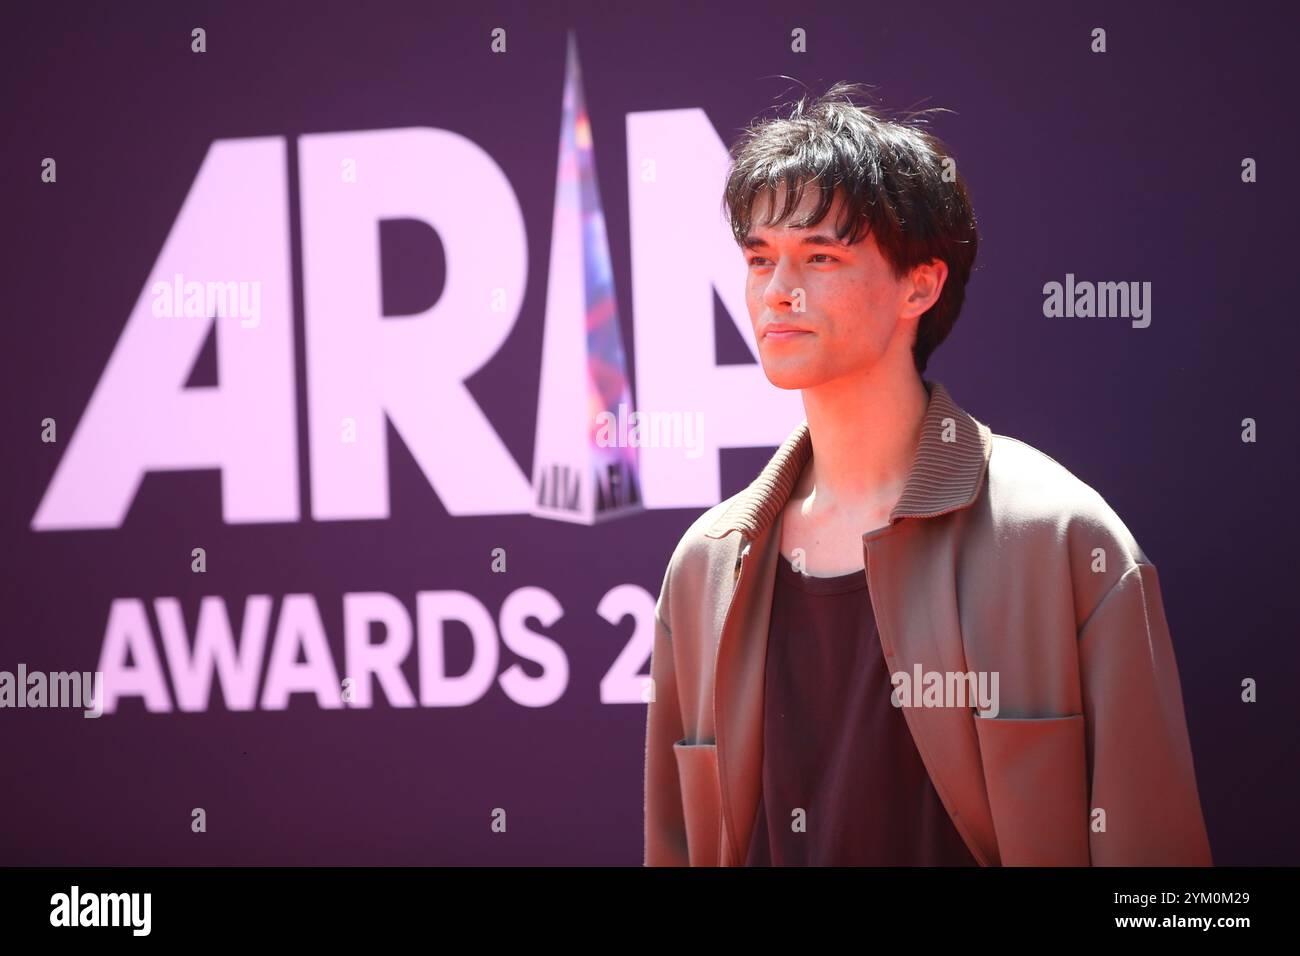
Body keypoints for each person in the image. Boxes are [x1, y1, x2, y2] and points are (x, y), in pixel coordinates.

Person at [642, 82, 1212, 866]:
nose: (779, 291)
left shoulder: (1062, 539)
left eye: (821, 255)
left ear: (921, 283)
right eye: (759, 257)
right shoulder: (704, 566)